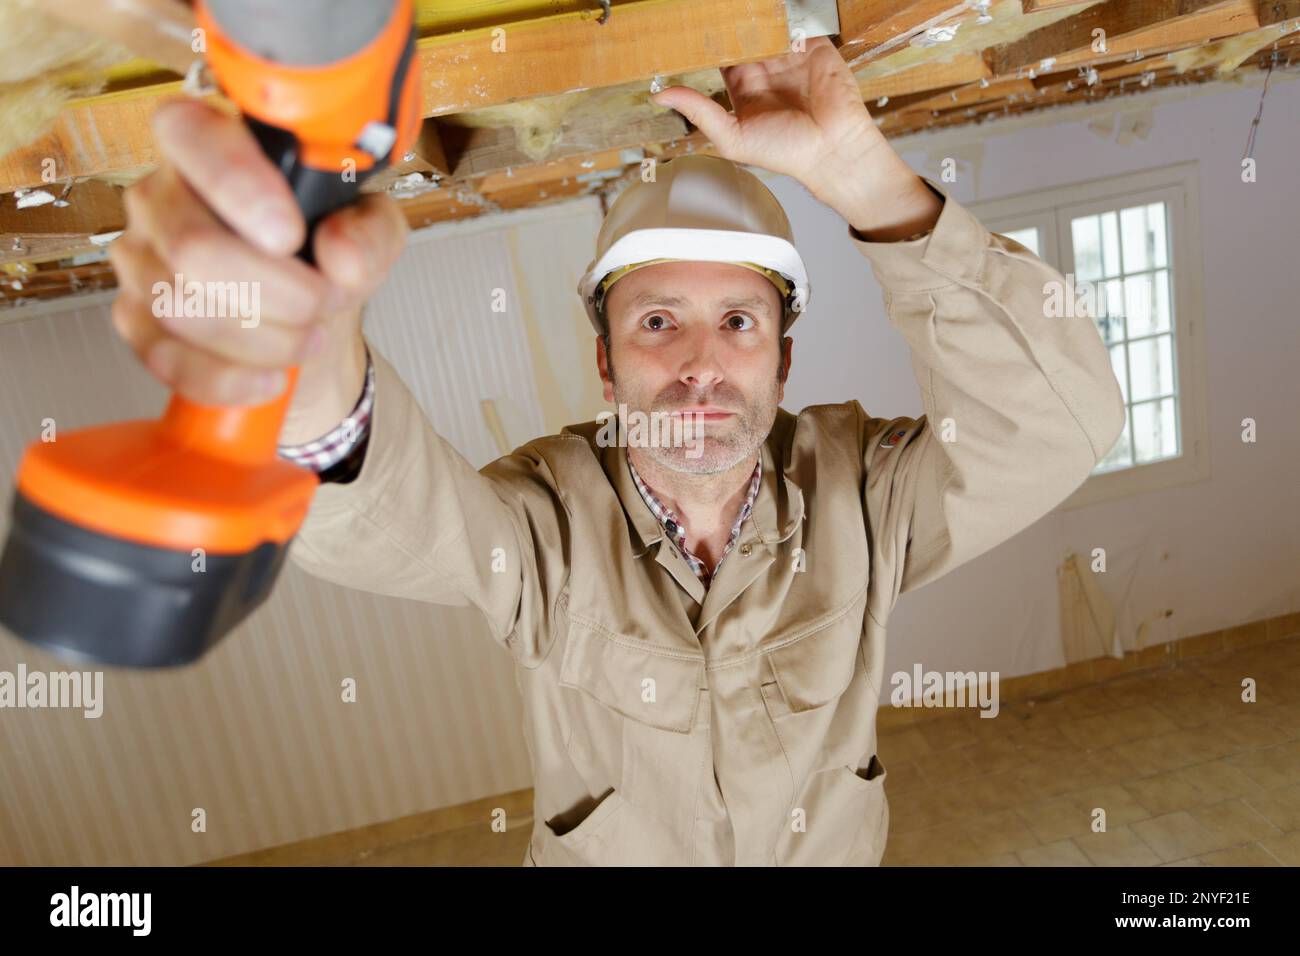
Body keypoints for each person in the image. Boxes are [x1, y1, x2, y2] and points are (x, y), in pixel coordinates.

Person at [109, 38, 1124, 865]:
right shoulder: (547, 521)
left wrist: (859, 173)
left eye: (737, 321)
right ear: (604, 360)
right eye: (656, 324)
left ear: (782, 356)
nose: (700, 367)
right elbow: (396, 529)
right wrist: (306, 347)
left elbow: (1054, 425)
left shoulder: (862, 492)